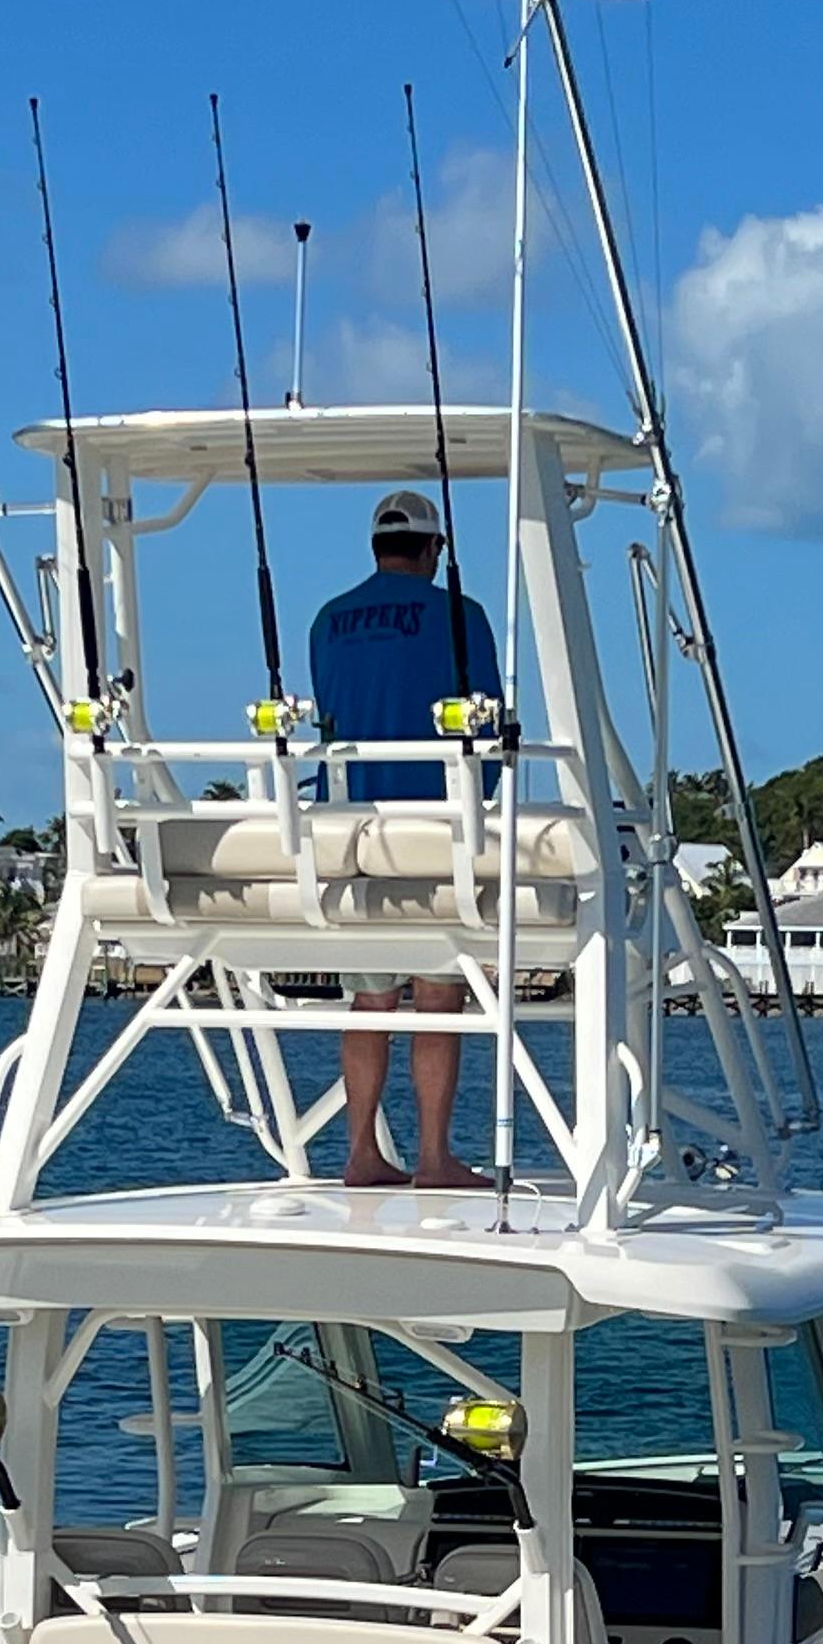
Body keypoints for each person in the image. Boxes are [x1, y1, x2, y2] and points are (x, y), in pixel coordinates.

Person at [305, 487, 503, 1189]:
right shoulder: (463, 617)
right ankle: (433, 1158)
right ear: (432, 549)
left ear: (376, 548)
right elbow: (487, 727)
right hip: (433, 833)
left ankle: (360, 1153)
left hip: (349, 836)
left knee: (370, 1001)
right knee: (439, 998)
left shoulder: (327, 621)